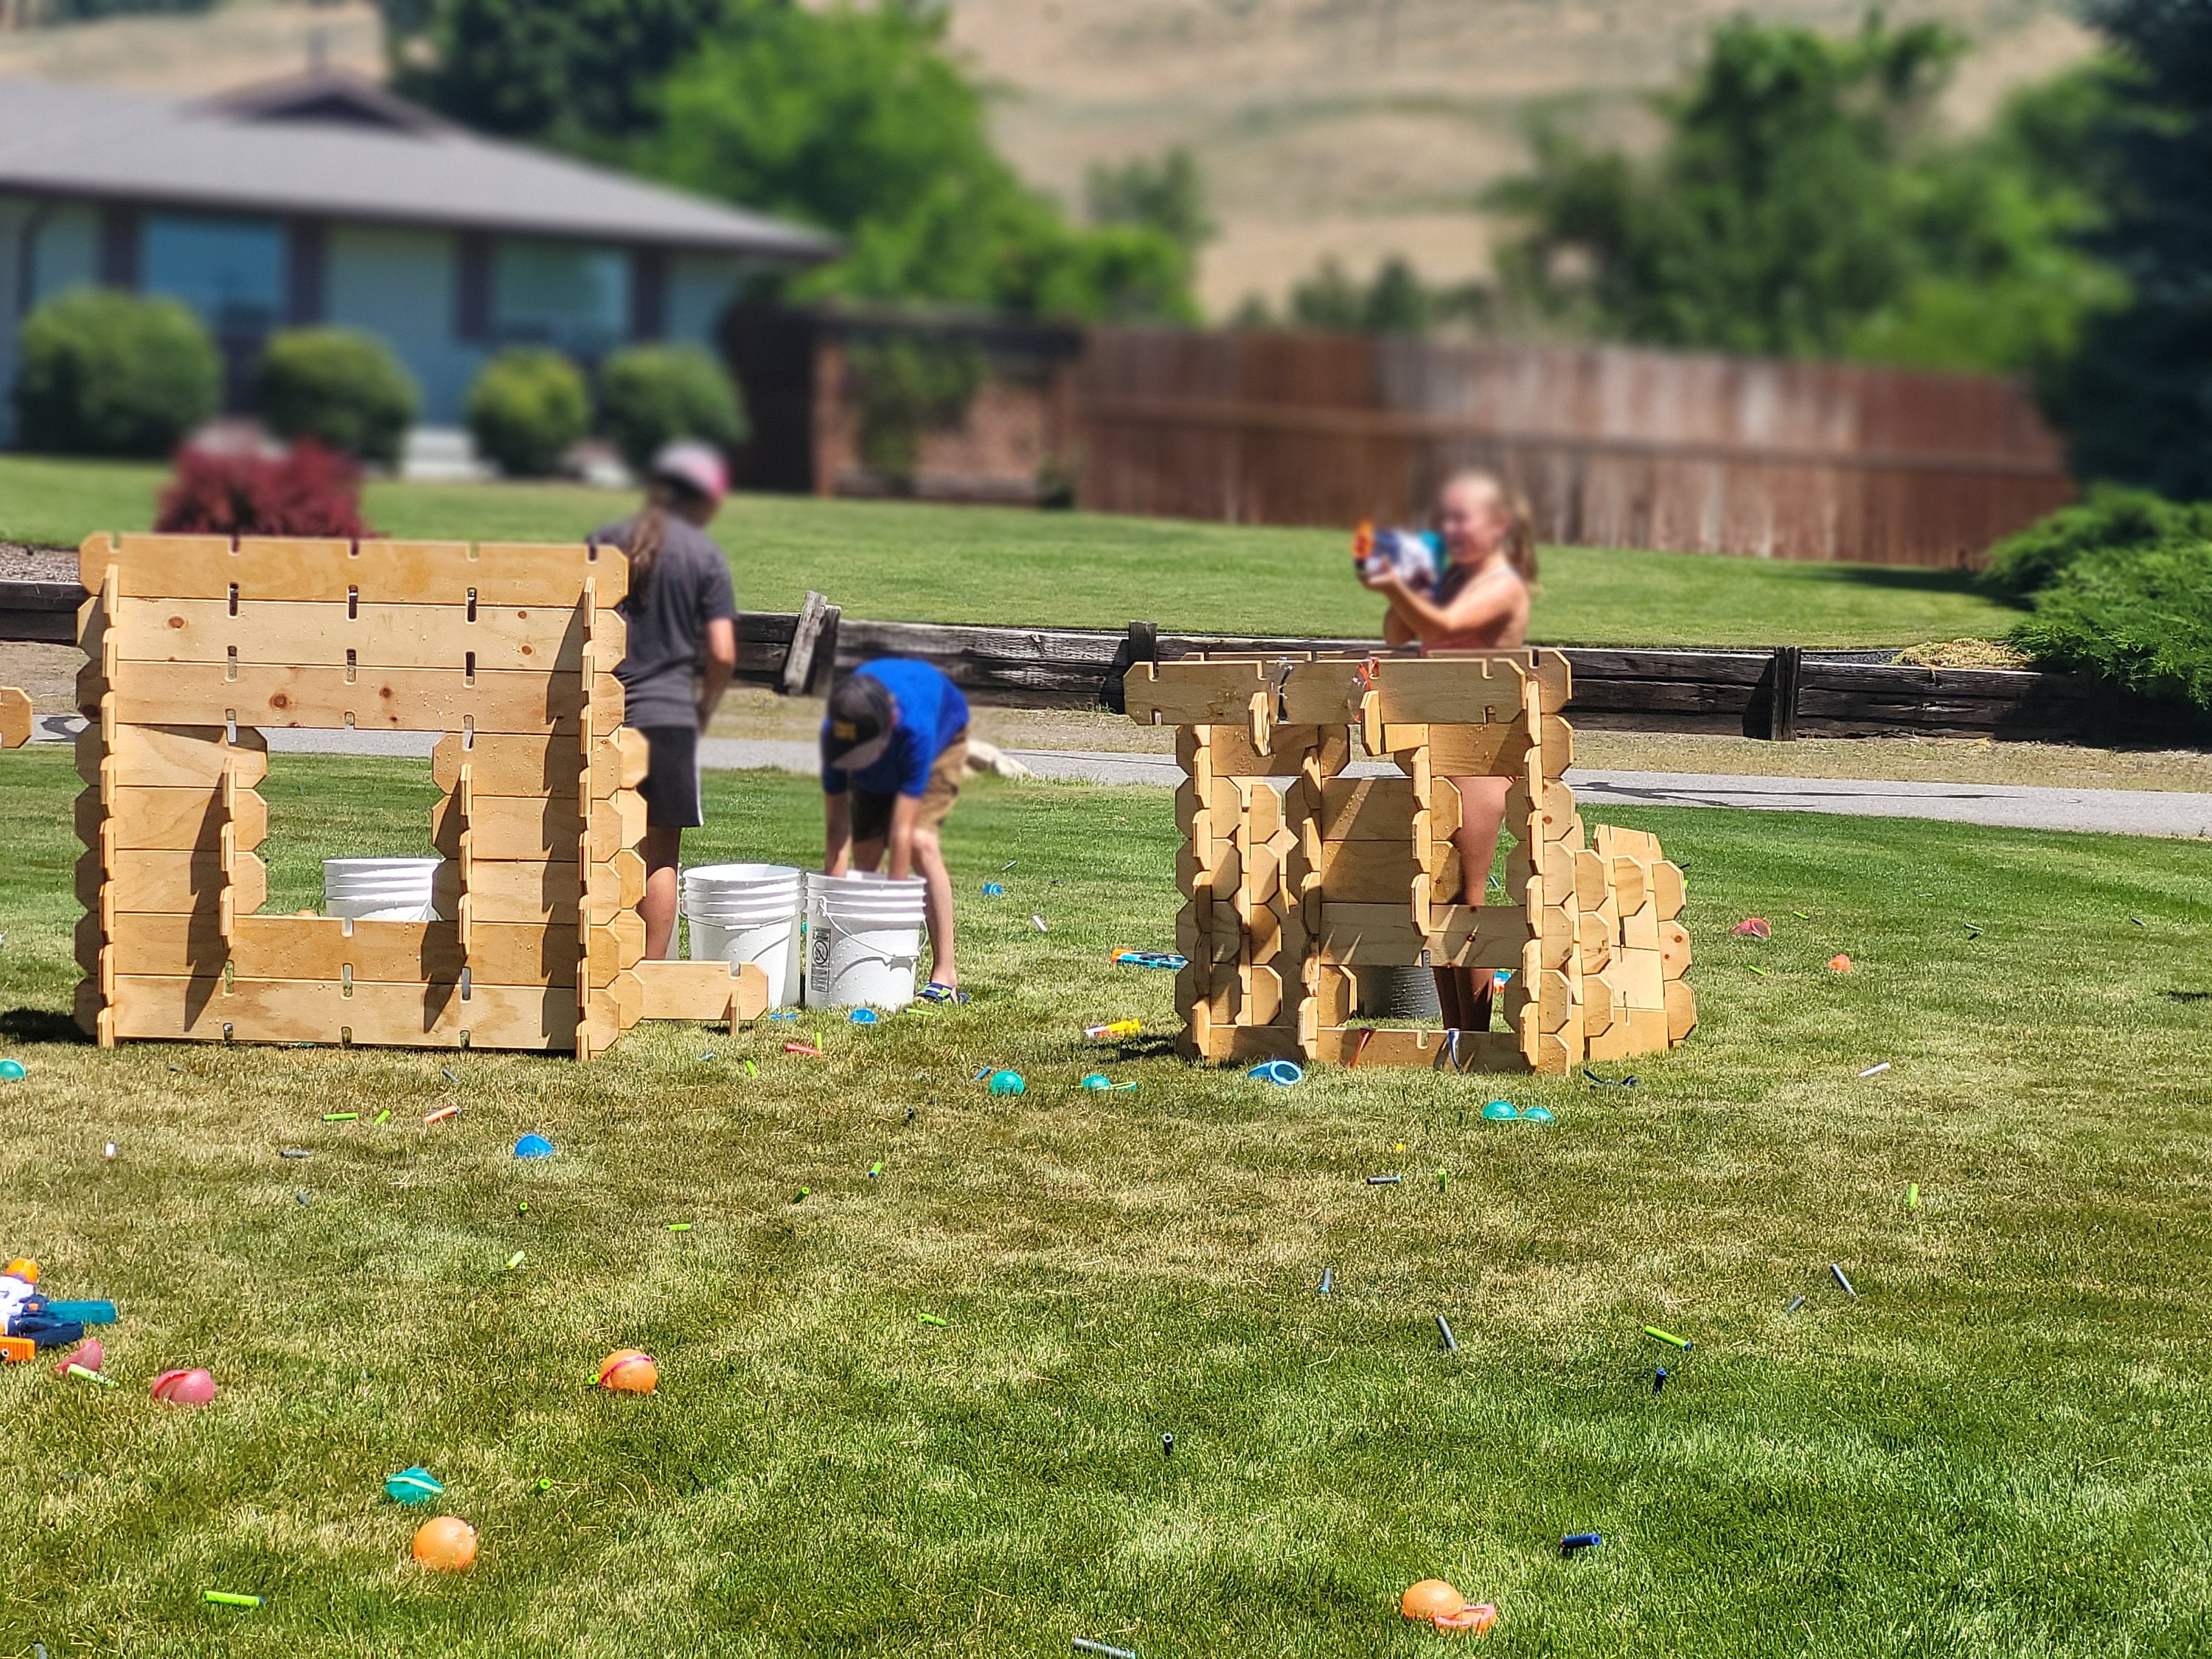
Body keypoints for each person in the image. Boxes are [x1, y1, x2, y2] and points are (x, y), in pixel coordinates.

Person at [1360, 469, 1537, 1035]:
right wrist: (1409, 577)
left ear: (1499, 525)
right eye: (1446, 518)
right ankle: (1456, 1032)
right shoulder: (1447, 578)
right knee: (1440, 893)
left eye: (1465, 517)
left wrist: (1393, 582)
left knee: (1470, 897)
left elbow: (1443, 624)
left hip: (1483, 756)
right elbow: (1397, 630)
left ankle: (1477, 1033)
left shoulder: (1503, 583)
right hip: (1441, 750)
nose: (1452, 527)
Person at [592, 441, 738, 961]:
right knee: (659, 860)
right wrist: (704, 708)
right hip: (671, 722)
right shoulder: (705, 557)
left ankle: (600, 963)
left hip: (605, 718)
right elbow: (722, 652)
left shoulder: (603, 542)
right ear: (703, 502)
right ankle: (647, 977)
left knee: (604, 851)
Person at [819, 658, 970, 1004]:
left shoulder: (915, 730)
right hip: (877, 737)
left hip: (942, 735)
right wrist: (832, 907)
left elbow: (902, 832)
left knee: (920, 843)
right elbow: (836, 828)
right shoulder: (839, 732)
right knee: (867, 850)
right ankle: (861, 961)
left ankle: (945, 973)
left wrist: (894, 909)